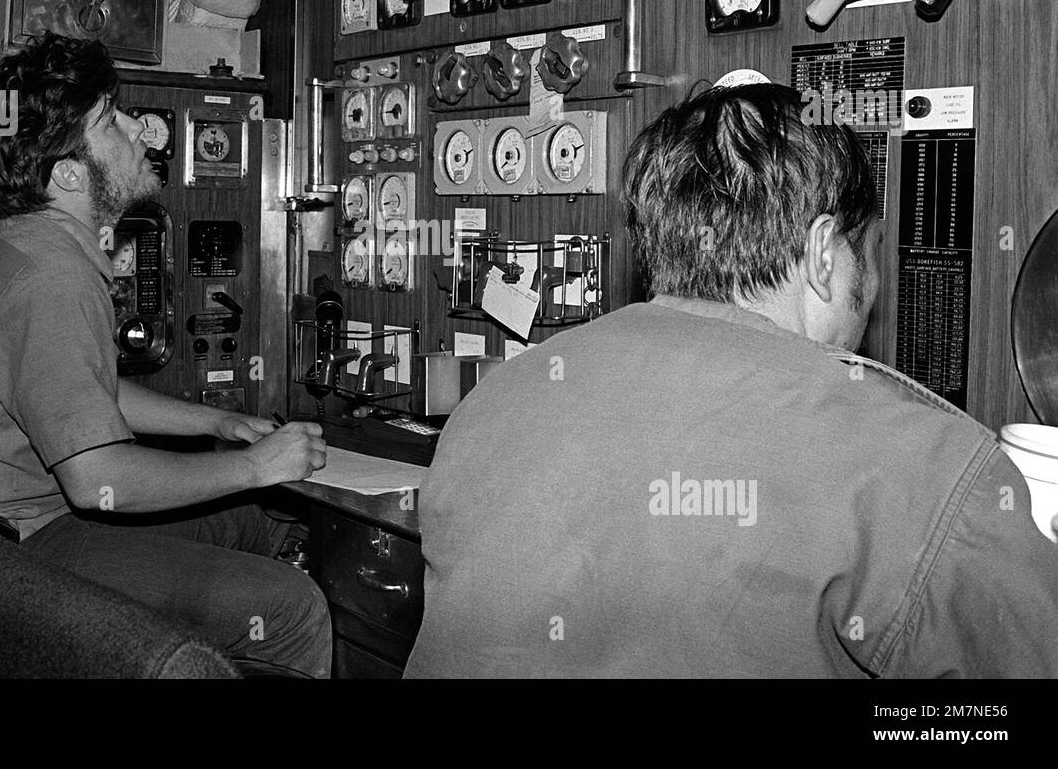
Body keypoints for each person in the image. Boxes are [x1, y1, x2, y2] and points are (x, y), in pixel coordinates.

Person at [405, 82, 1058, 678]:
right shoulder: (927, 467)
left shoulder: (494, 401)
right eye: (872, 250)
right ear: (826, 253)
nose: (874, 285)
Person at [0, 33, 331, 677]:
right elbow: (100, 483)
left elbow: (75, 394)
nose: (138, 128)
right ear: (68, 172)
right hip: (5, 557)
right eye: (111, 120)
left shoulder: (6, 248)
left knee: (246, 523)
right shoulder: (51, 275)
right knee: (289, 607)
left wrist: (214, 424)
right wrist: (258, 465)